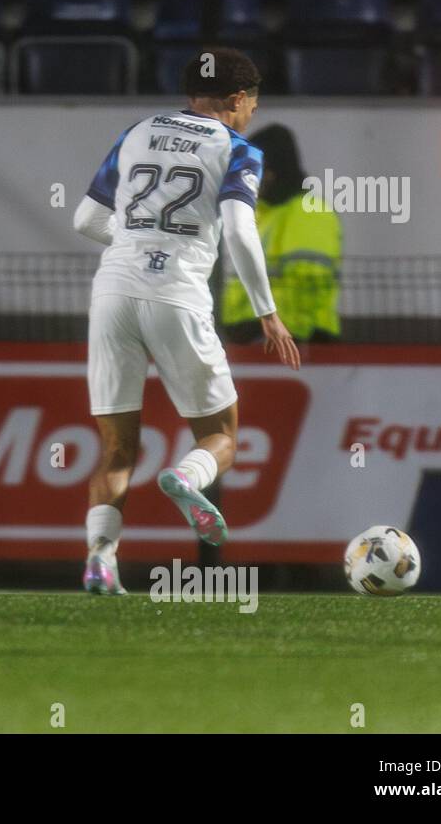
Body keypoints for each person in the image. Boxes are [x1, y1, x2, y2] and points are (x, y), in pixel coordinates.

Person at [72, 48, 301, 595]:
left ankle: (100, 562)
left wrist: (137, 242)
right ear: (239, 100)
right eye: (252, 104)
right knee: (220, 435)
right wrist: (268, 312)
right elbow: (240, 231)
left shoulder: (138, 131)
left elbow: (85, 219)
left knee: (117, 447)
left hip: (113, 292)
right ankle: (185, 475)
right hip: (177, 295)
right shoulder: (237, 147)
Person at [221, 124, 342, 344]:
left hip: (293, 342)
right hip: (250, 339)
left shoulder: (308, 213)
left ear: (272, 172)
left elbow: (304, 289)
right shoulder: (259, 213)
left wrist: (270, 329)